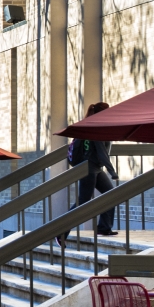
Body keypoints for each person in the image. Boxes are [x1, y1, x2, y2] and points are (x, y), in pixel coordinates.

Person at [61, 101, 118, 245]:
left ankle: (104, 227)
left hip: (95, 168)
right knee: (83, 201)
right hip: (89, 168)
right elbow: (101, 153)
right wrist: (112, 171)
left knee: (110, 194)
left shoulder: (96, 124)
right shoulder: (96, 127)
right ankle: (61, 231)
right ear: (103, 113)